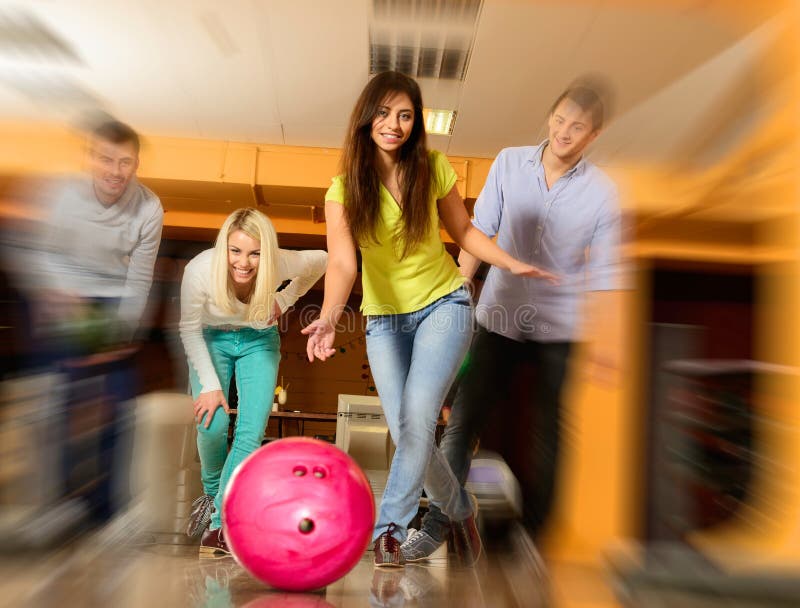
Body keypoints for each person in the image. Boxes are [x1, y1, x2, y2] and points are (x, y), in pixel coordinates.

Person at [302, 71, 557, 568]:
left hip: (444, 306)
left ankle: (389, 531)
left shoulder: (433, 167)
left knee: (418, 418)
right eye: (384, 113)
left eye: (405, 115)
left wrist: (507, 262)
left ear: (416, 123)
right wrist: (331, 316)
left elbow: (463, 229)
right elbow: (342, 264)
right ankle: (459, 507)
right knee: (406, 428)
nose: (394, 124)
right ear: (365, 117)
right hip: (383, 322)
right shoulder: (342, 190)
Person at [406, 81, 624, 562]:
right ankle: (438, 523)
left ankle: (537, 536)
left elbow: (608, 271)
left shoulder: (602, 193)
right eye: (560, 119)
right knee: (463, 421)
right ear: (550, 116)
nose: (565, 132)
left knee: (551, 431)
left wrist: (609, 346)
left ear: (593, 135)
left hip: (561, 326)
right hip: (499, 315)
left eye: (578, 127)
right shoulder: (509, 162)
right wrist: (457, 291)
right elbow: (476, 231)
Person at [180, 208, 327, 557]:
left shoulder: (280, 264)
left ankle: (219, 523)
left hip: (259, 340)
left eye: (255, 253)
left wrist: (284, 299)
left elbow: (322, 260)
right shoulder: (200, 269)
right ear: (224, 248)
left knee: (250, 432)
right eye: (235, 251)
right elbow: (187, 328)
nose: (244, 263)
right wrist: (212, 386)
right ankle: (212, 492)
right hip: (210, 338)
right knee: (212, 424)